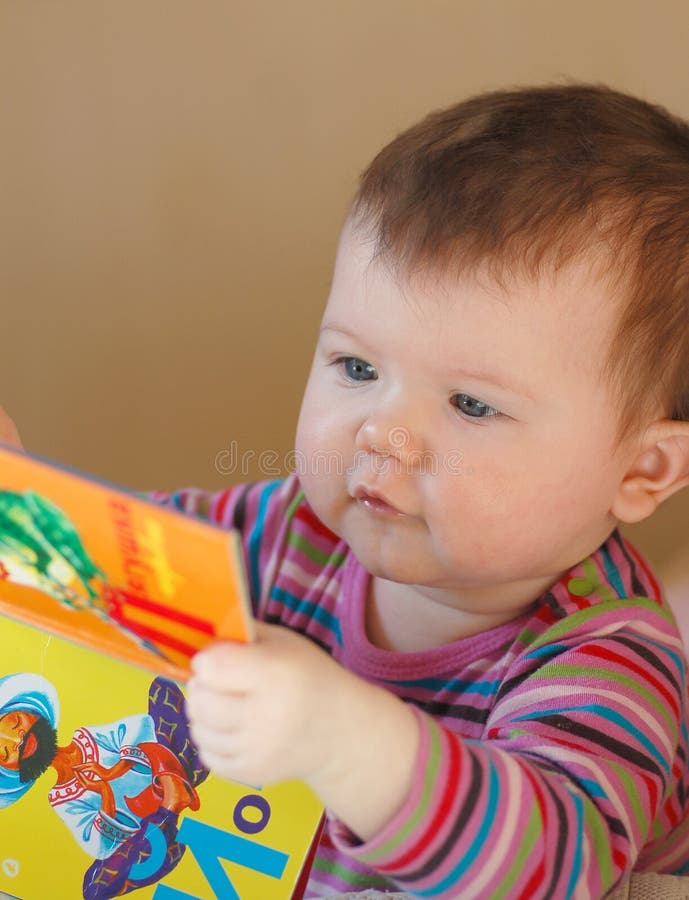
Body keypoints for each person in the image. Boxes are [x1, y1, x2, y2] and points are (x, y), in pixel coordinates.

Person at [0, 671, 208, 899]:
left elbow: (139, 728)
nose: (18, 740)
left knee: (162, 687)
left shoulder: (85, 736)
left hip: (178, 763)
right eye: (4, 751)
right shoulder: (61, 798)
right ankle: (171, 805)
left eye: (14, 722)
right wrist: (104, 791)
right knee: (94, 889)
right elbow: (100, 846)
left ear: (33, 712)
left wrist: (113, 770)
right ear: (9, 771)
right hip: (154, 831)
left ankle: (172, 783)